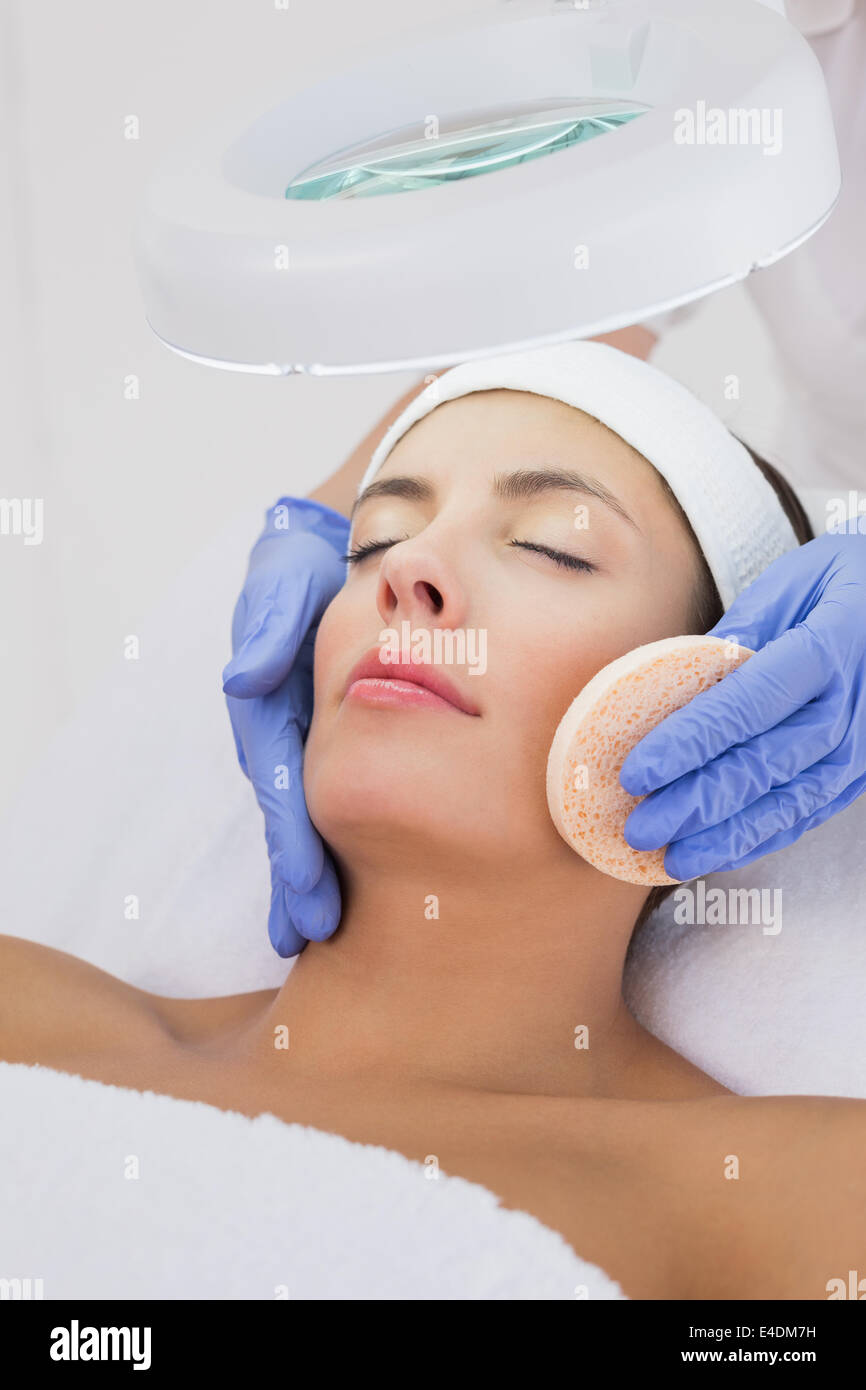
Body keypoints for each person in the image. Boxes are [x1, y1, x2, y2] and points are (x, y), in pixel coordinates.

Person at [3, 343, 865, 1300]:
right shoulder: (25, 1015)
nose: (407, 570)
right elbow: (607, 234)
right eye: (371, 542)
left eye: (552, 546)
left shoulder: (786, 1195)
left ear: (711, 705)